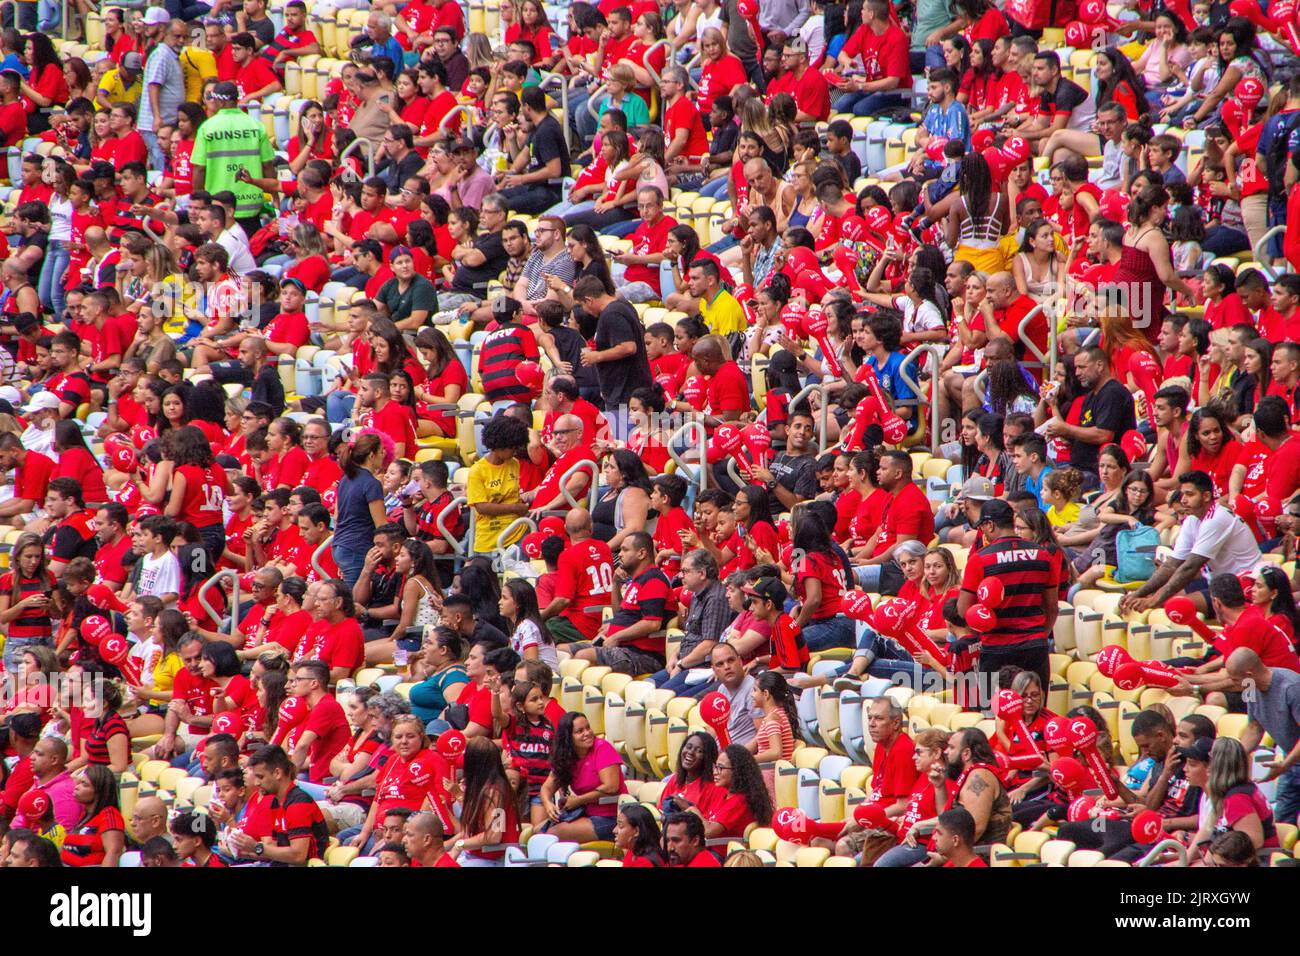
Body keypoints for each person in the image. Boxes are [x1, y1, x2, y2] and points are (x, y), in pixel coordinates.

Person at [957, 499, 1062, 696]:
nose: (983, 532)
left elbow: (964, 611)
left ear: (990, 524)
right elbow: (1052, 608)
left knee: (996, 716)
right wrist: (1038, 635)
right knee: (1036, 714)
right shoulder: (1043, 555)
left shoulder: (980, 559)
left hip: (996, 648)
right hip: (1035, 647)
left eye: (982, 527)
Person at [540, 712, 627, 841]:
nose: (587, 733)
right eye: (580, 731)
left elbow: (611, 787)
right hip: (584, 813)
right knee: (536, 831)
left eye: (588, 728)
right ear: (568, 738)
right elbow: (546, 788)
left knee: (552, 834)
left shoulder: (602, 748)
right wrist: (548, 805)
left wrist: (578, 800)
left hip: (611, 817)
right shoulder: (566, 757)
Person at [332, 432, 389, 589]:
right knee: (353, 601)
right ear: (371, 455)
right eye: (381, 451)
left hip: (340, 544)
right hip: (357, 546)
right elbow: (381, 525)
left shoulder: (346, 478)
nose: (384, 455)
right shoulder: (372, 483)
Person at [60, 765, 125, 867]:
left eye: (84, 784)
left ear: (99, 791)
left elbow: (114, 852)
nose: (77, 787)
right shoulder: (86, 814)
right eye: (79, 782)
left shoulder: (109, 815)